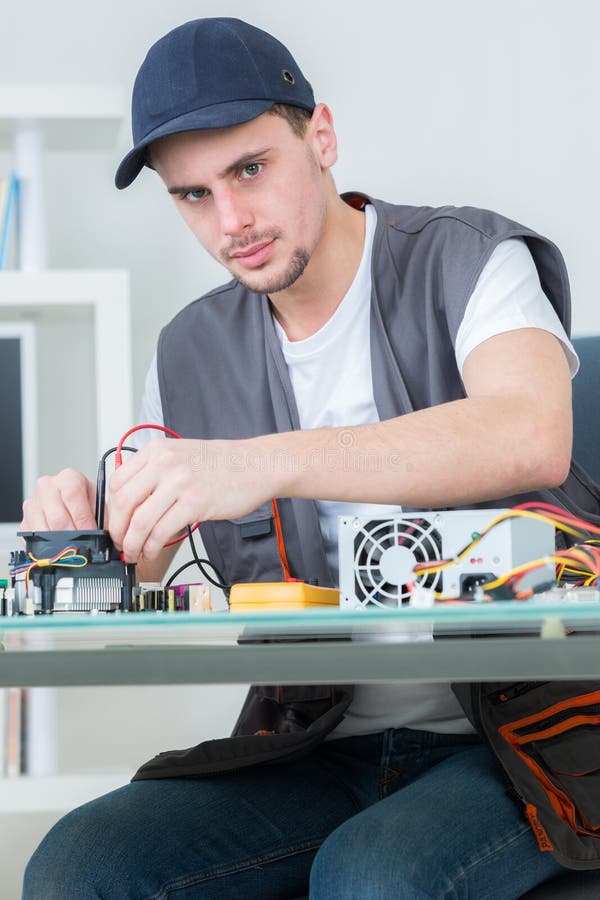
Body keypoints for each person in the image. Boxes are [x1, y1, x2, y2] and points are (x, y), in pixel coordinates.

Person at [22, 16, 586, 899]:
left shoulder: (471, 258)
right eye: (193, 195)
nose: (231, 221)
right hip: (312, 745)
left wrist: (259, 463)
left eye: (250, 169)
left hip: (519, 739)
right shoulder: (188, 351)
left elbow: (531, 431)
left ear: (319, 136)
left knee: (370, 878)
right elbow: (146, 556)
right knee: (78, 867)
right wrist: (81, 534)